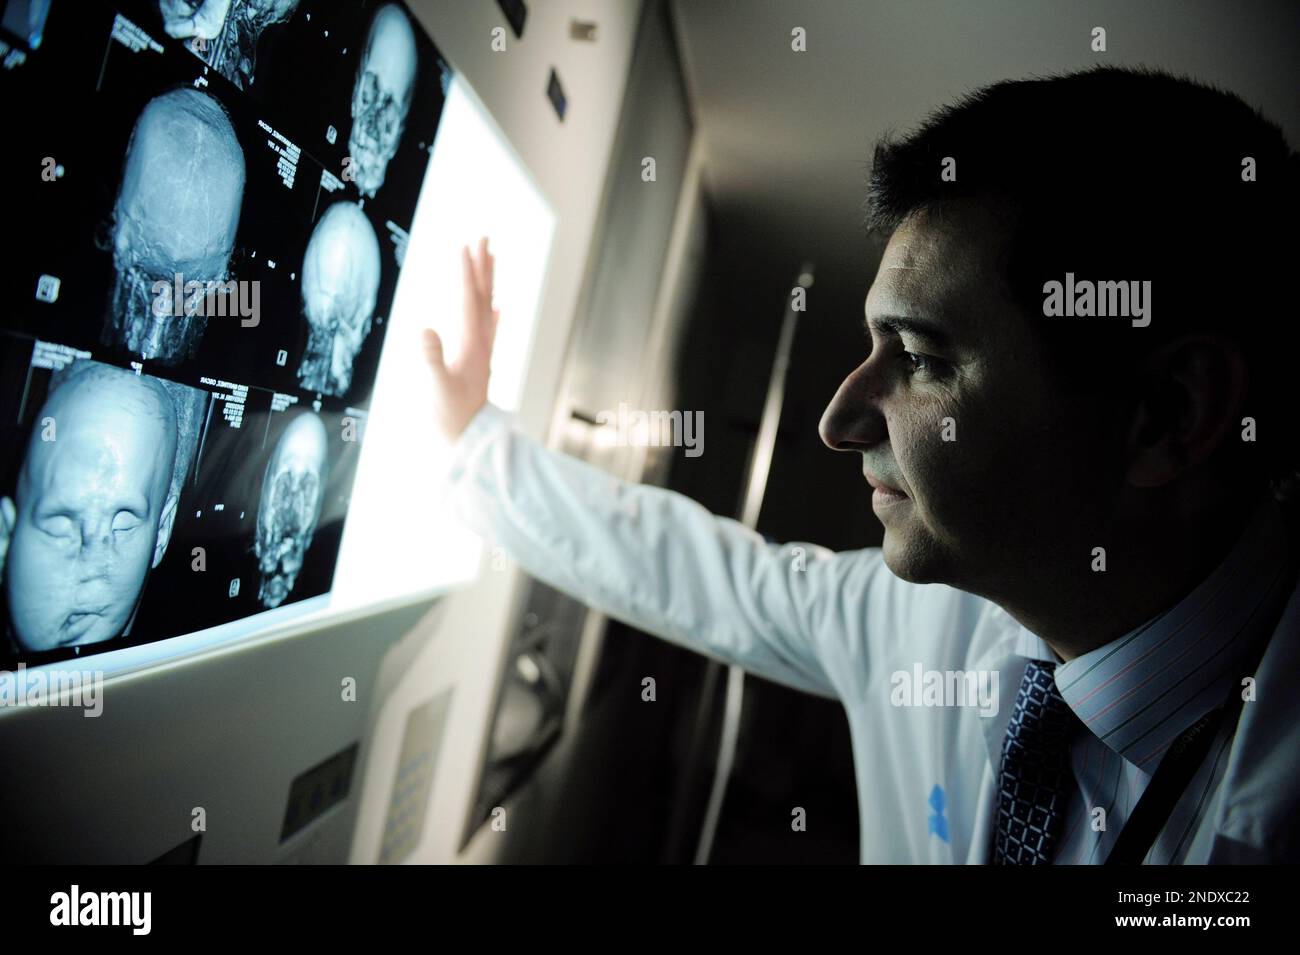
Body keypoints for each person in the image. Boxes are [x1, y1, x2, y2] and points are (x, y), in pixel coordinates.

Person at [422, 66, 1300, 864]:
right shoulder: (929, 622)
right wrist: (474, 445)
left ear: (1169, 414)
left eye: (918, 357)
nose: (837, 421)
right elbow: (694, 572)